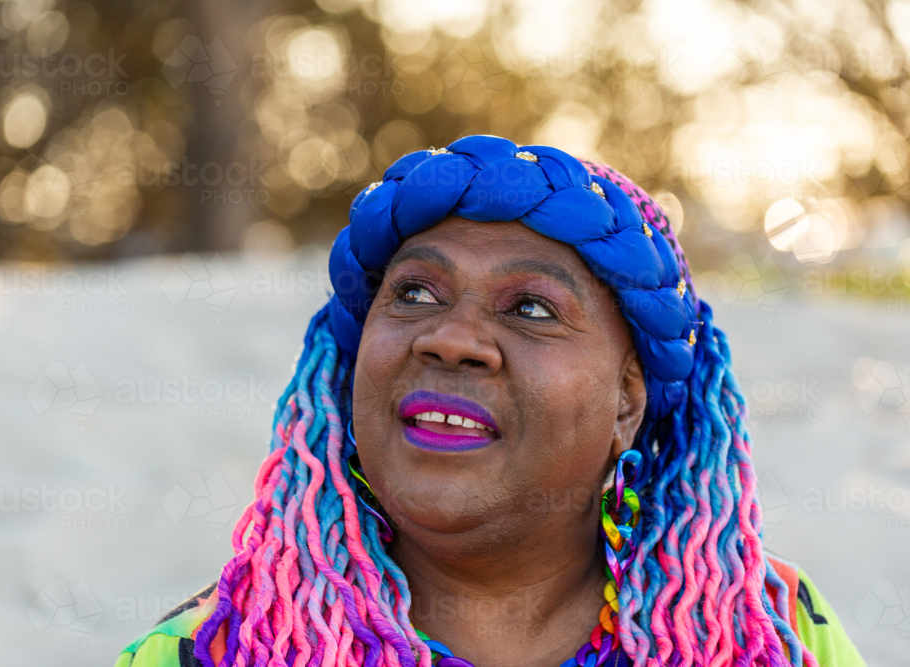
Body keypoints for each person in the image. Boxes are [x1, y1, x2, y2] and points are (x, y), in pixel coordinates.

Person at [115, 135, 865, 667]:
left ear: (627, 403)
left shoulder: (773, 632)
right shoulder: (210, 649)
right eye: (413, 292)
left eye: (531, 308)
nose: (451, 338)